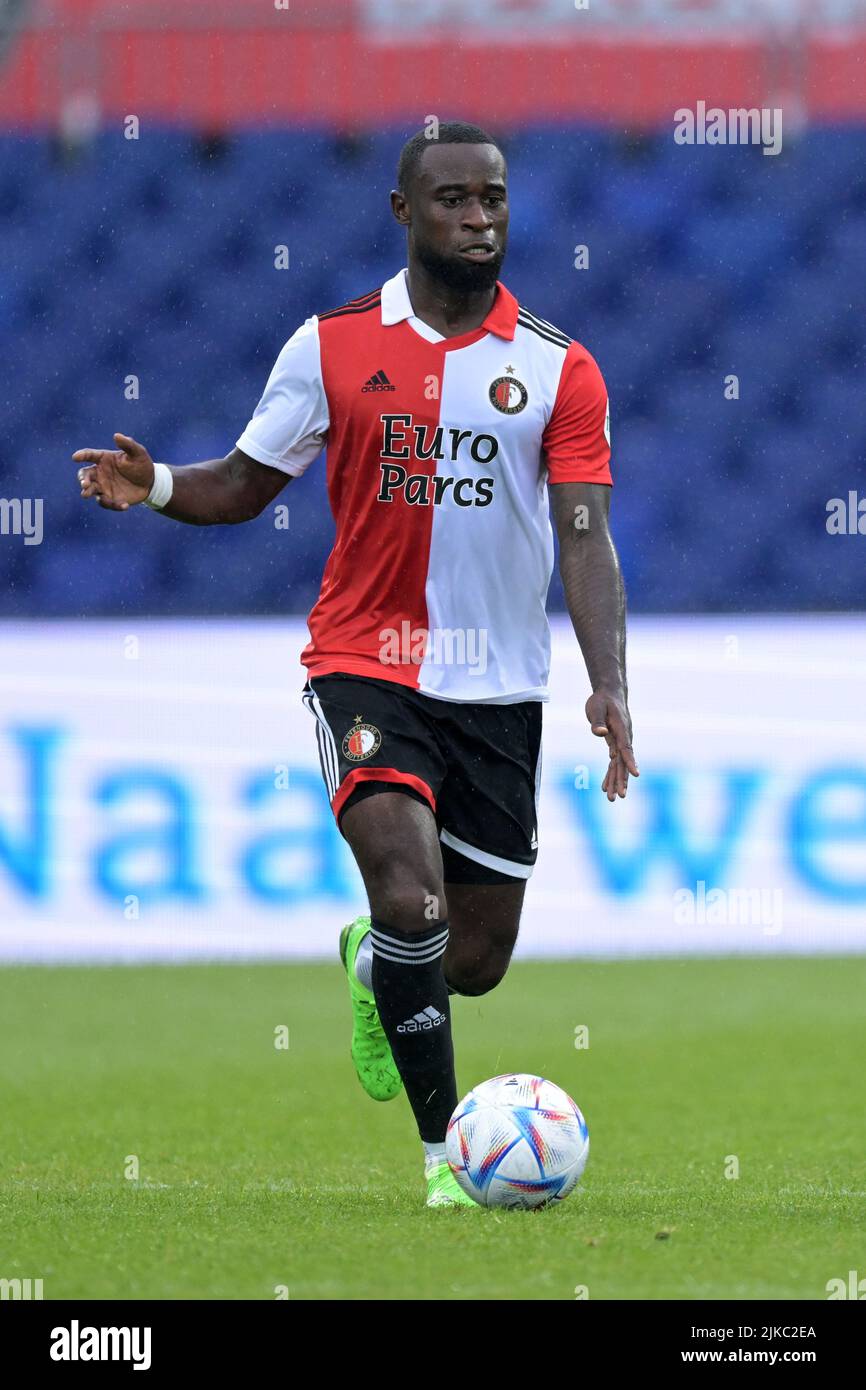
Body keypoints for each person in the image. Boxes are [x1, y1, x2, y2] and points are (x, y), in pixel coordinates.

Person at [73, 120, 638, 1208]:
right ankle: (445, 1162)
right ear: (402, 213)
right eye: (453, 201)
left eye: (493, 200)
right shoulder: (329, 346)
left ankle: (372, 964)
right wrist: (152, 485)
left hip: (497, 686)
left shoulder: (558, 367)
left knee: (470, 957)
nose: (478, 219)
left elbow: (582, 536)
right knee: (410, 895)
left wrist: (606, 679)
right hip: (363, 660)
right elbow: (241, 486)